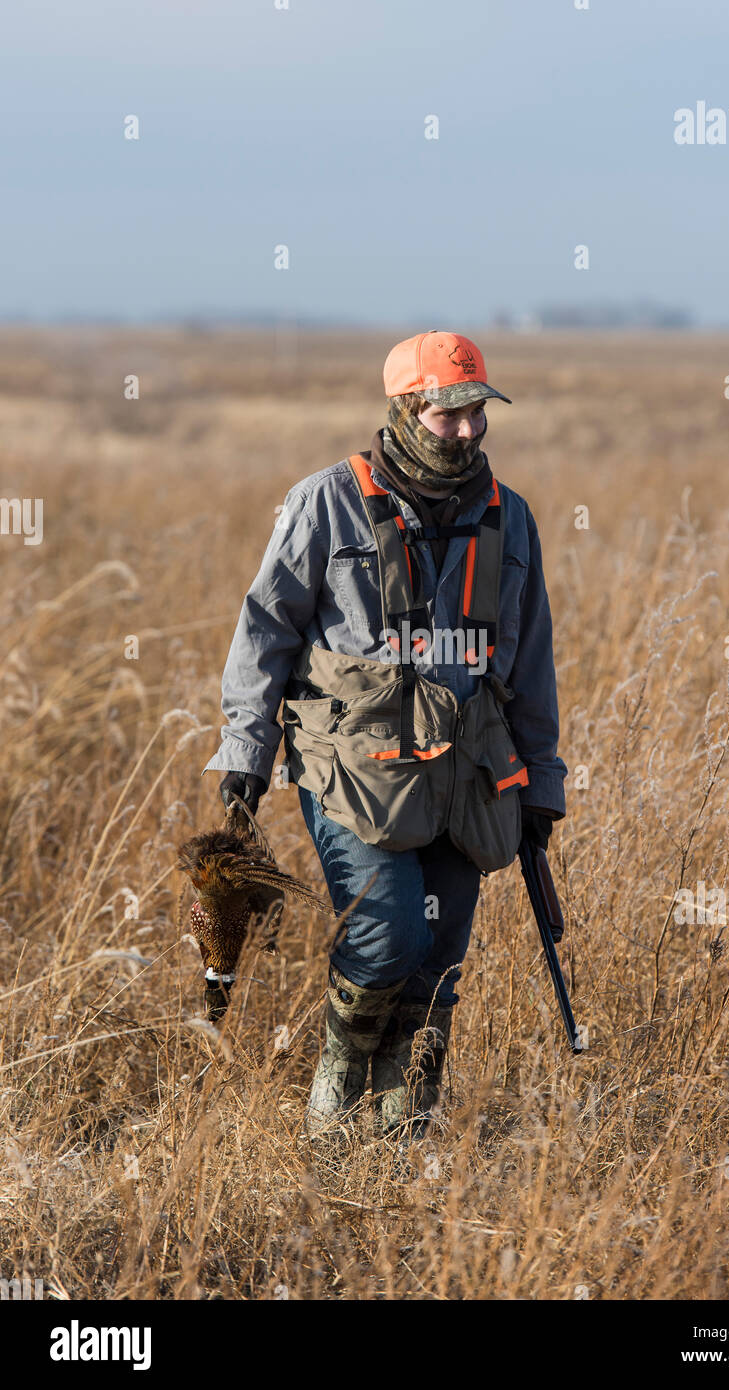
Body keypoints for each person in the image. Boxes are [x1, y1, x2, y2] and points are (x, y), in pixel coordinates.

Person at [202, 330, 568, 1142]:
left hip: (468, 776)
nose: (469, 430)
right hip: (351, 773)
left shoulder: (512, 518)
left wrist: (541, 787)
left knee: (436, 961)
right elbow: (263, 633)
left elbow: (532, 661)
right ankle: (333, 1123)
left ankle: (403, 1143)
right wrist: (245, 758)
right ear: (405, 410)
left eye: (478, 412)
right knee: (386, 933)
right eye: (450, 415)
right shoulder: (324, 502)